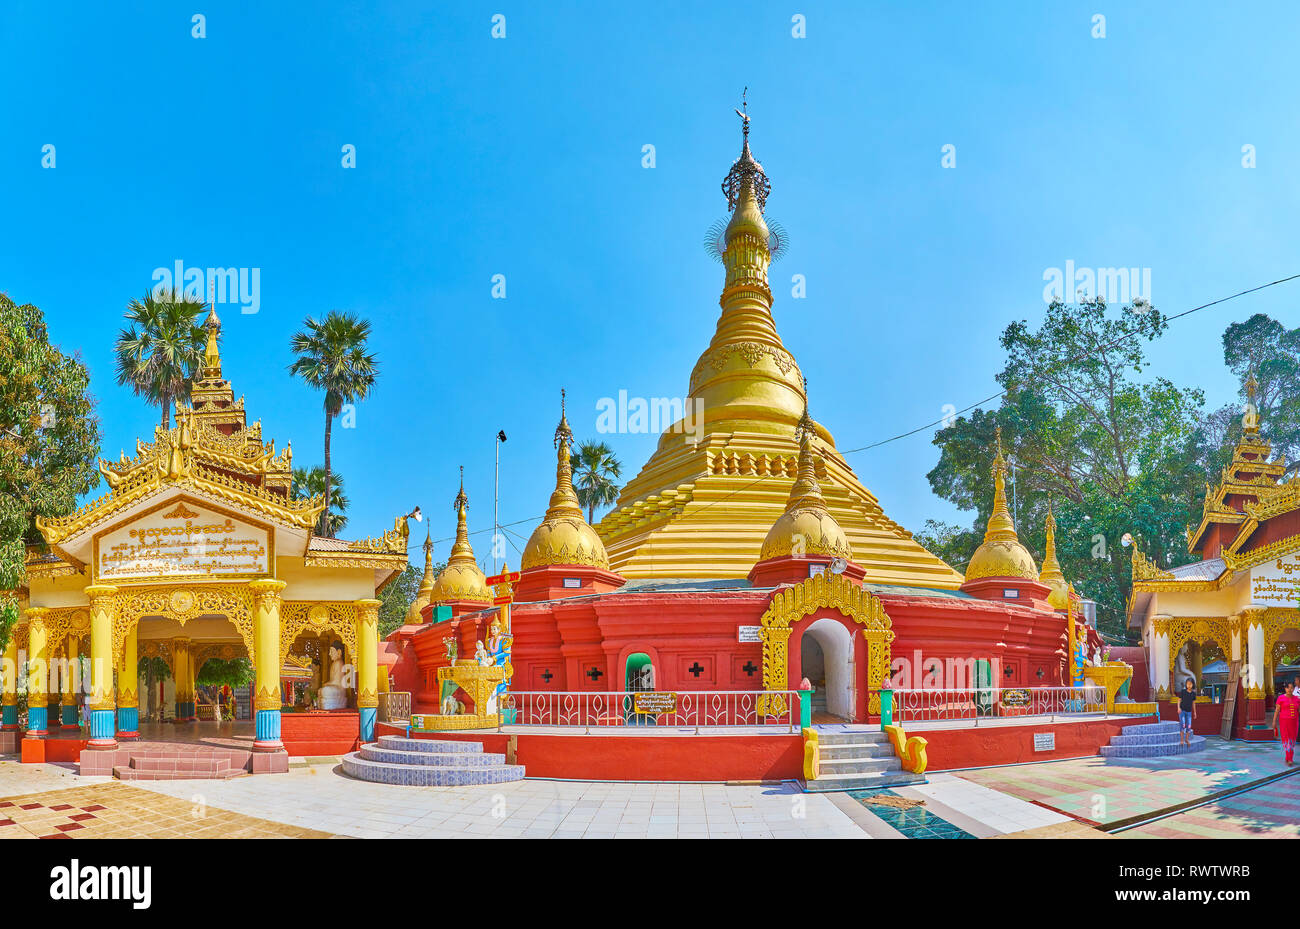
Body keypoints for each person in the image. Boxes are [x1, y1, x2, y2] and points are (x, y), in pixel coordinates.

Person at [1274, 678, 1300, 766]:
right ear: (1285, 688)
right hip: (1284, 723)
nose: (1290, 689)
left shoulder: (1297, 699)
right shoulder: (1280, 698)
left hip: (1294, 723)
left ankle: (1288, 757)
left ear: (1294, 688)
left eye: (1292, 688)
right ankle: (1290, 759)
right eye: (1288, 688)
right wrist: (1274, 722)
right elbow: (1277, 711)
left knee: (1292, 740)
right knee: (1286, 740)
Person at [1177, 677, 1197, 746]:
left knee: (1189, 726)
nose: (1189, 685)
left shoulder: (1193, 694)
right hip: (1182, 711)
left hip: (1189, 712)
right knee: (1183, 725)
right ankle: (1182, 740)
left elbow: (1193, 703)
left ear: (1193, 685)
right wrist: (1178, 708)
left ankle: (1187, 739)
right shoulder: (1183, 691)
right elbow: (1179, 700)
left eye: (1190, 684)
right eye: (1187, 684)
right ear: (1186, 684)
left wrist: (1195, 712)